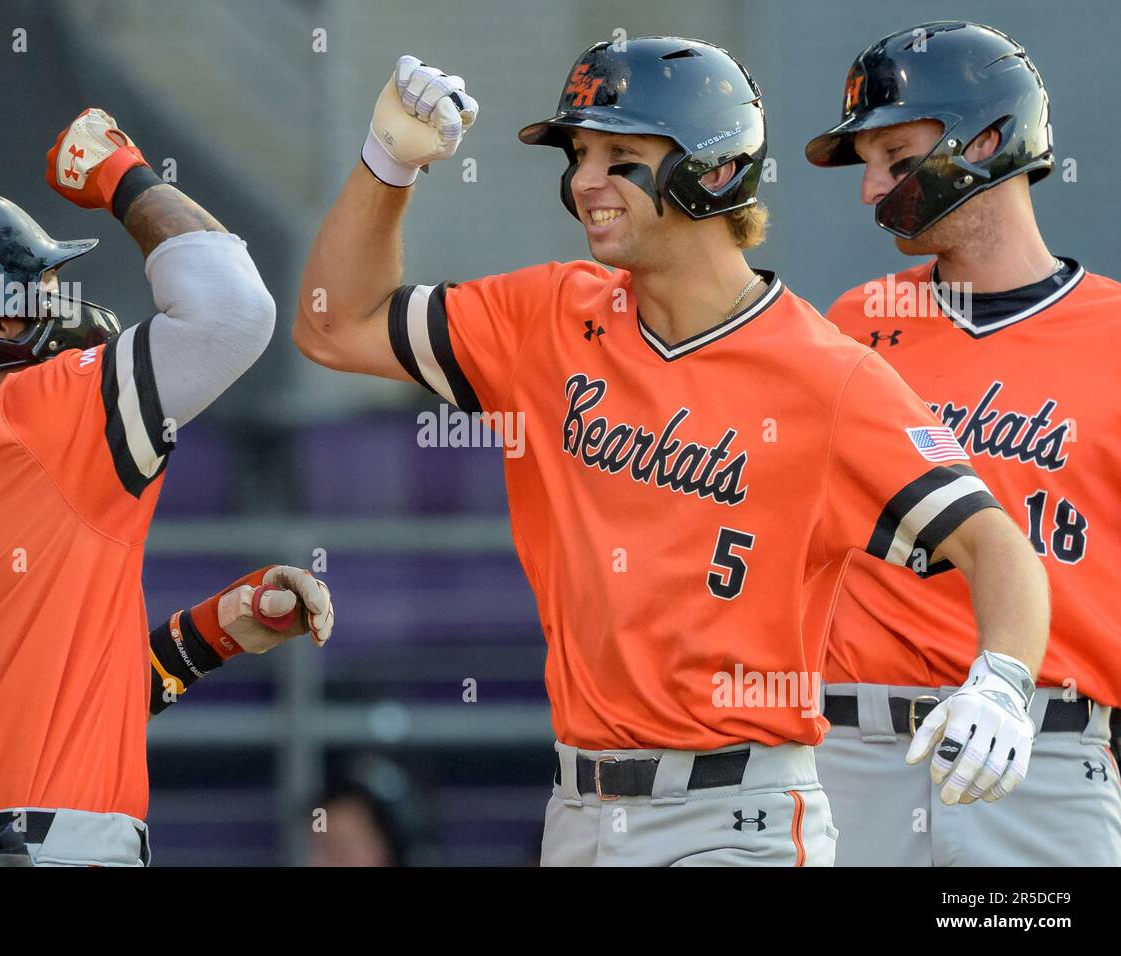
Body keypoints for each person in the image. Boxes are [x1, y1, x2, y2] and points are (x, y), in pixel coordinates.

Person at [294, 39, 1048, 866]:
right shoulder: (544, 317)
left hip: (737, 816)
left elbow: (998, 547)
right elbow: (332, 327)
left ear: (714, 170)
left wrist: (1003, 680)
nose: (587, 179)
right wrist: (386, 165)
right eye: (582, 153)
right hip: (579, 812)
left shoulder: (826, 376)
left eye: (623, 157)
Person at [0, 109, 333, 866]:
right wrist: (120, 175)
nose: (60, 304)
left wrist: (211, 633)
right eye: (38, 289)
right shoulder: (27, 424)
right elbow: (234, 311)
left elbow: (49, 703)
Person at [806, 20, 1121, 866]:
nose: (872, 190)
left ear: (986, 140)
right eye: (867, 163)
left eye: (897, 158)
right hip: (856, 750)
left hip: (1048, 754)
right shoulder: (855, 325)